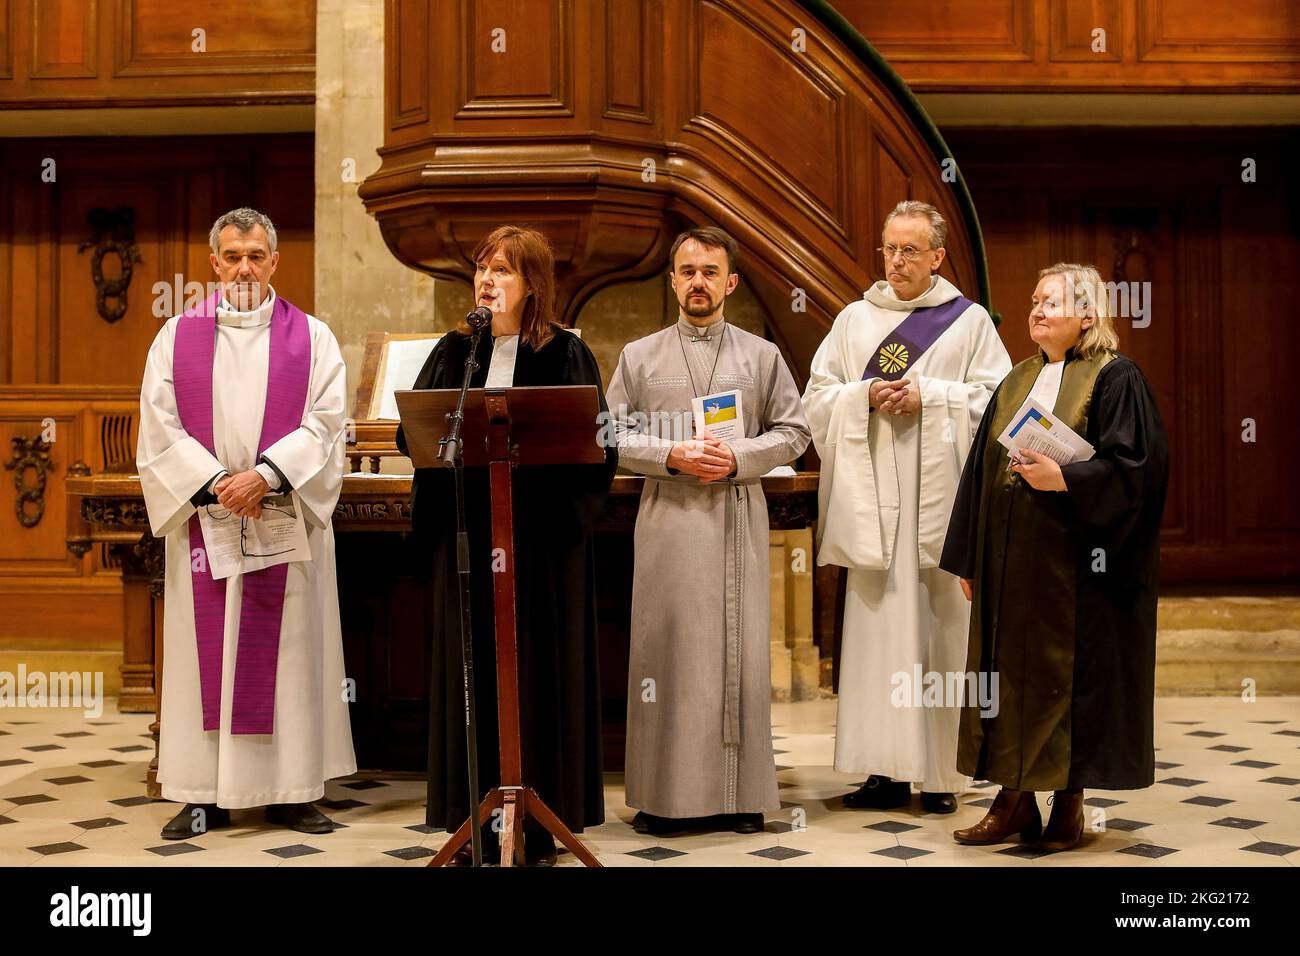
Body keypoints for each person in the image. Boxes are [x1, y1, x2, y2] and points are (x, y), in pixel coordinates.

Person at [397, 225, 615, 866]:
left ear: (534, 286)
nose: (488, 282)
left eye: (504, 272)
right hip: (469, 545)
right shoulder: (453, 351)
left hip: (538, 553)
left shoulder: (564, 353)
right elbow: (423, 439)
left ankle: (537, 826)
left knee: (534, 678)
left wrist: (549, 513)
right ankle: (473, 818)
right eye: (483, 269)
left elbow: (598, 443)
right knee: (473, 679)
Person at [137, 207, 356, 840]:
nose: (244, 267)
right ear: (213, 263)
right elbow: (160, 428)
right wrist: (215, 484)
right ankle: (200, 792)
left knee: (287, 654)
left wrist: (266, 475)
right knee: (203, 657)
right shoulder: (175, 336)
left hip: (281, 513)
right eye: (232, 256)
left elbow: (325, 423)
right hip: (207, 522)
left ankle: (290, 790)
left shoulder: (312, 337)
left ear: (275, 262)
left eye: (256, 256)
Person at [941, 262, 1169, 851]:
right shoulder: (1015, 379)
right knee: (1009, 679)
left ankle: (1068, 802)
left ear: (1087, 314)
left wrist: (1065, 478)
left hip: (1078, 571)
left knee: (1067, 683)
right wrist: (969, 556)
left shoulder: (1116, 379)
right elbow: (978, 473)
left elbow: (1136, 472)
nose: (1035, 311)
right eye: (1034, 302)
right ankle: (1013, 800)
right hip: (1011, 566)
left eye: (1050, 302)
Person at [802, 200, 1012, 815]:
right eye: (890, 249)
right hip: (875, 511)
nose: (897, 261)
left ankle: (941, 775)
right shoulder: (854, 319)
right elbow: (818, 398)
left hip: (940, 510)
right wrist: (864, 395)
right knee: (875, 640)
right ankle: (883, 773)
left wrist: (932, 395)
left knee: (938, 639)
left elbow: (997, 401)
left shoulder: (969, 323)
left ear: (938, 256)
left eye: (911, 250)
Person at [605, 226, 811, 836]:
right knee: (667, 655)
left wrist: (741, 456)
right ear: (672, 280)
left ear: (731, 282)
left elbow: (795, 431)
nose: (699, 281)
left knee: (737, 654)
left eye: (710, 271)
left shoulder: (761, 356)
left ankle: (739, 795)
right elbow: (608, 436)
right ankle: (662, 798)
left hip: (735, 519)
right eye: (688, 270)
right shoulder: (639, 357)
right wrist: (672, 455)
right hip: (668, 519)